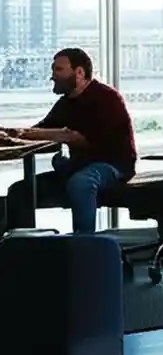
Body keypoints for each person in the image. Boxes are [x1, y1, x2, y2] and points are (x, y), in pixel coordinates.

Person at [0, 48, 135, 235]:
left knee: (81, 183)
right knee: (20, 191)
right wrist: (12, 134)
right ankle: (21, 250)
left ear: (79, 72)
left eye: (58, 70)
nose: (52, 77)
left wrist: (44, 134)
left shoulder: (106, 98)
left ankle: (84, 248)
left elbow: (81, 140)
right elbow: (41, 129)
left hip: (113, 166)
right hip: (79, 166)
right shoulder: (66, 103)